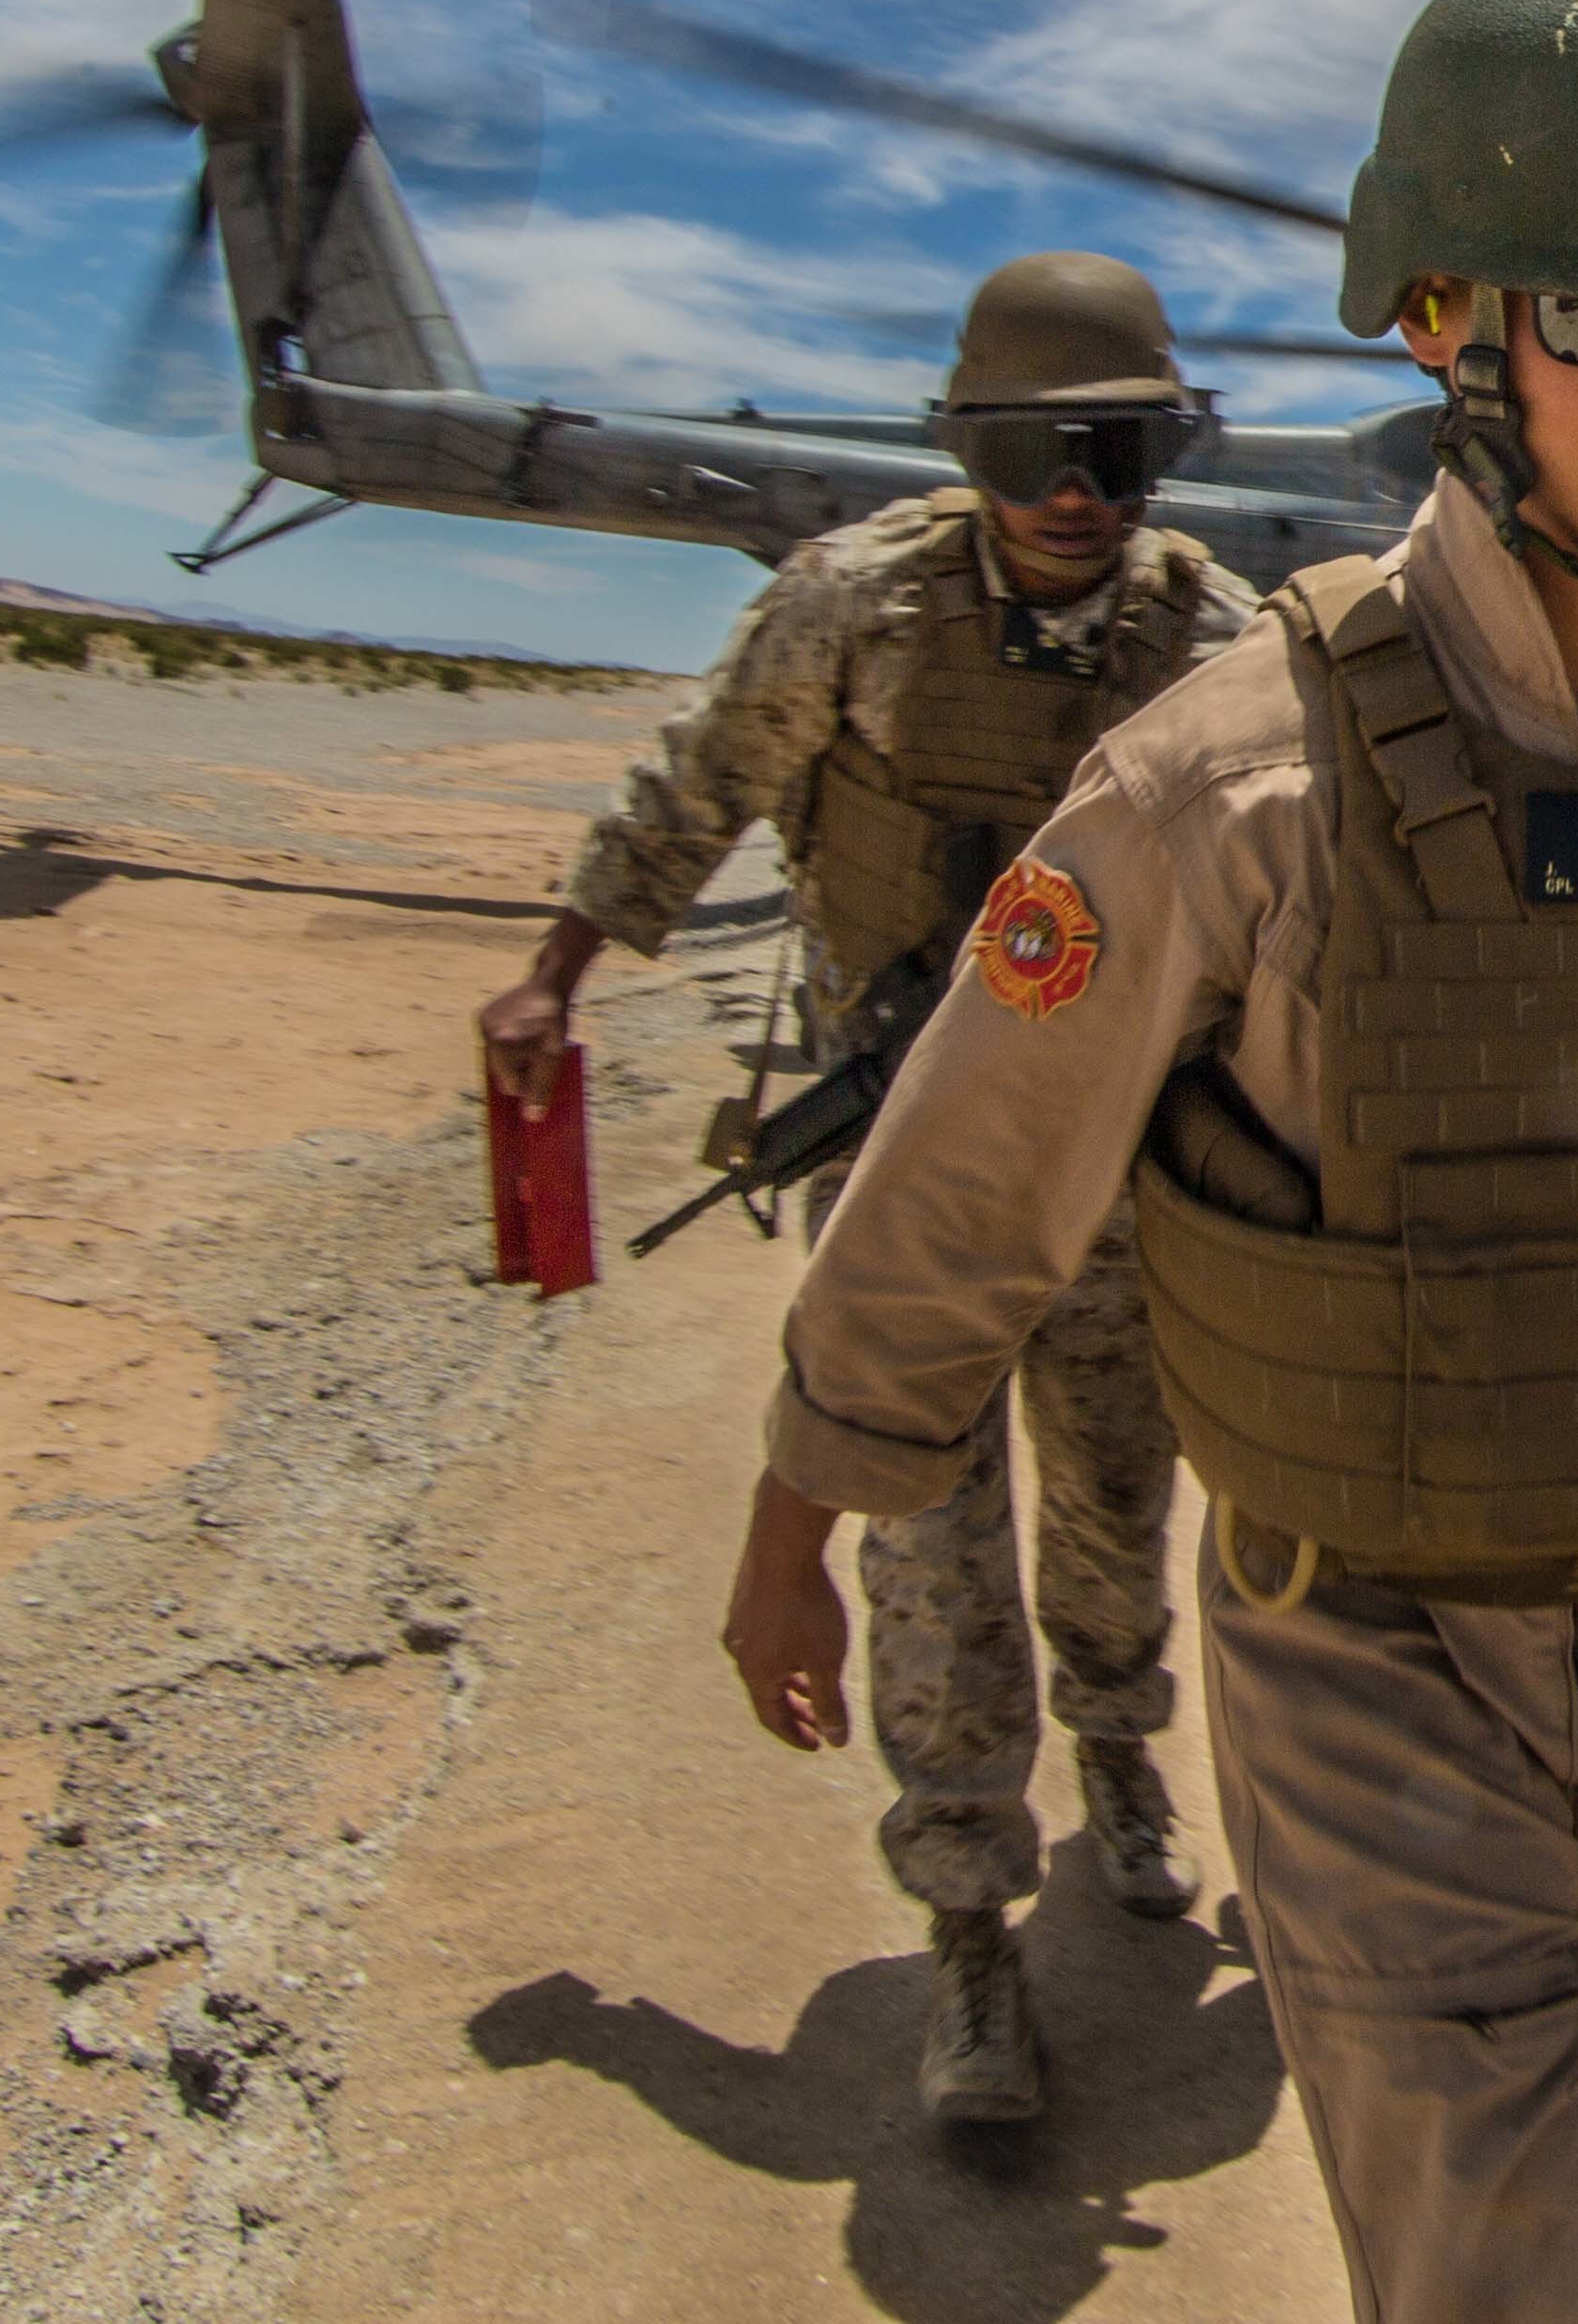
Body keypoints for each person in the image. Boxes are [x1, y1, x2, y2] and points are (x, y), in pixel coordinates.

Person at [720, 0, 1578, 2319]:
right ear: (1450, 324)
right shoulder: (1231, 774)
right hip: (1360, 1625)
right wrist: (807, 1486)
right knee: (1516, 2248)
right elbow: (976, 1150)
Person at [482, 251, 1263, 2121]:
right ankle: (973, 1931)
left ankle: (1122, 1752)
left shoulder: (1213, 641)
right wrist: (554, 973)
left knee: (1110, 1515)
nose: (1072, 492)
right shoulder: (855, 605)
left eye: (1114, 449)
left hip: (1117, 1179)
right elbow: (693, 793)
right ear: (961, 445)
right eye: (1026, 447)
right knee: (923, 1552)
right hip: (904, 1165)